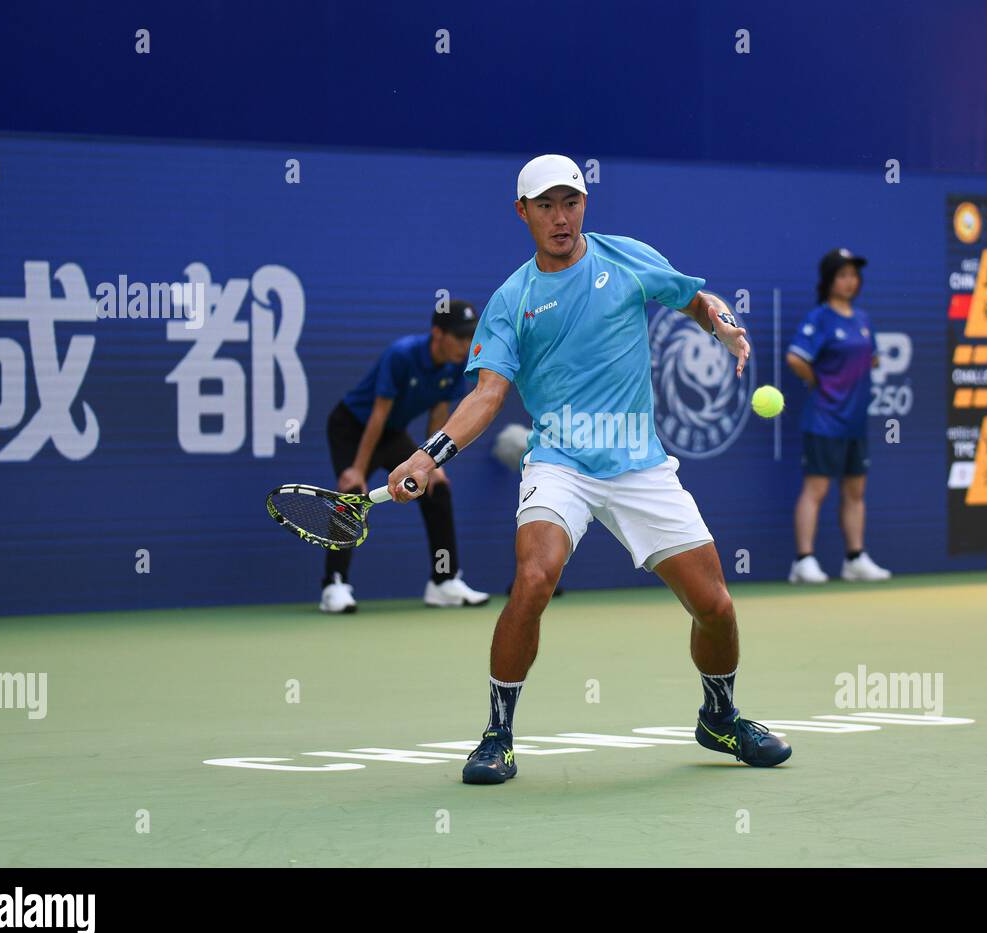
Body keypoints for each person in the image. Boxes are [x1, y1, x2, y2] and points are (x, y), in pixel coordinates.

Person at [386, 154, 792, 784]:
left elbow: (692, 298)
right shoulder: (512, 300)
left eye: (570, 203)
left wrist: (726, 328)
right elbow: (487, 396)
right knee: (534, 579)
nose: (560, 218)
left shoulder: (625, 258)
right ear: (522, 213)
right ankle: (497, 735)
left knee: (714, 605)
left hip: (641, 465)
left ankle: (719, 717)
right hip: (561, 462)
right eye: (544, 206)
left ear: (584, 205)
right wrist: (428, 453)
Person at [320, 301, 490, 612]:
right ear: (437, 333)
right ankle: (335, 584)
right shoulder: (401, 355)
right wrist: (357, 470)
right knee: (352, 495)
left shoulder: (455, 366)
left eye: (470, 338)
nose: (466, 345)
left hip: (392, 432)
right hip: (352, 427)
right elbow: (378, 415)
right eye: (460, 337)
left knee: (438, 490)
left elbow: (439, 419)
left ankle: (443, 581)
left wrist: (433, 464)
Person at [785, 248, 892, 584]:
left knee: (855, 491)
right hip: (824, 418)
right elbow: (795, 358)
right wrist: (821, 381)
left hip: (855, 420)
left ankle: (854, 559)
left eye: (854, 276)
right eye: (843, 275)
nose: (850, 281)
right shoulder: (819, 318)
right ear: (830, 280)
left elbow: (871, 358)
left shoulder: (862, 320)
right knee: (816, 490)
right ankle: (803, 562)